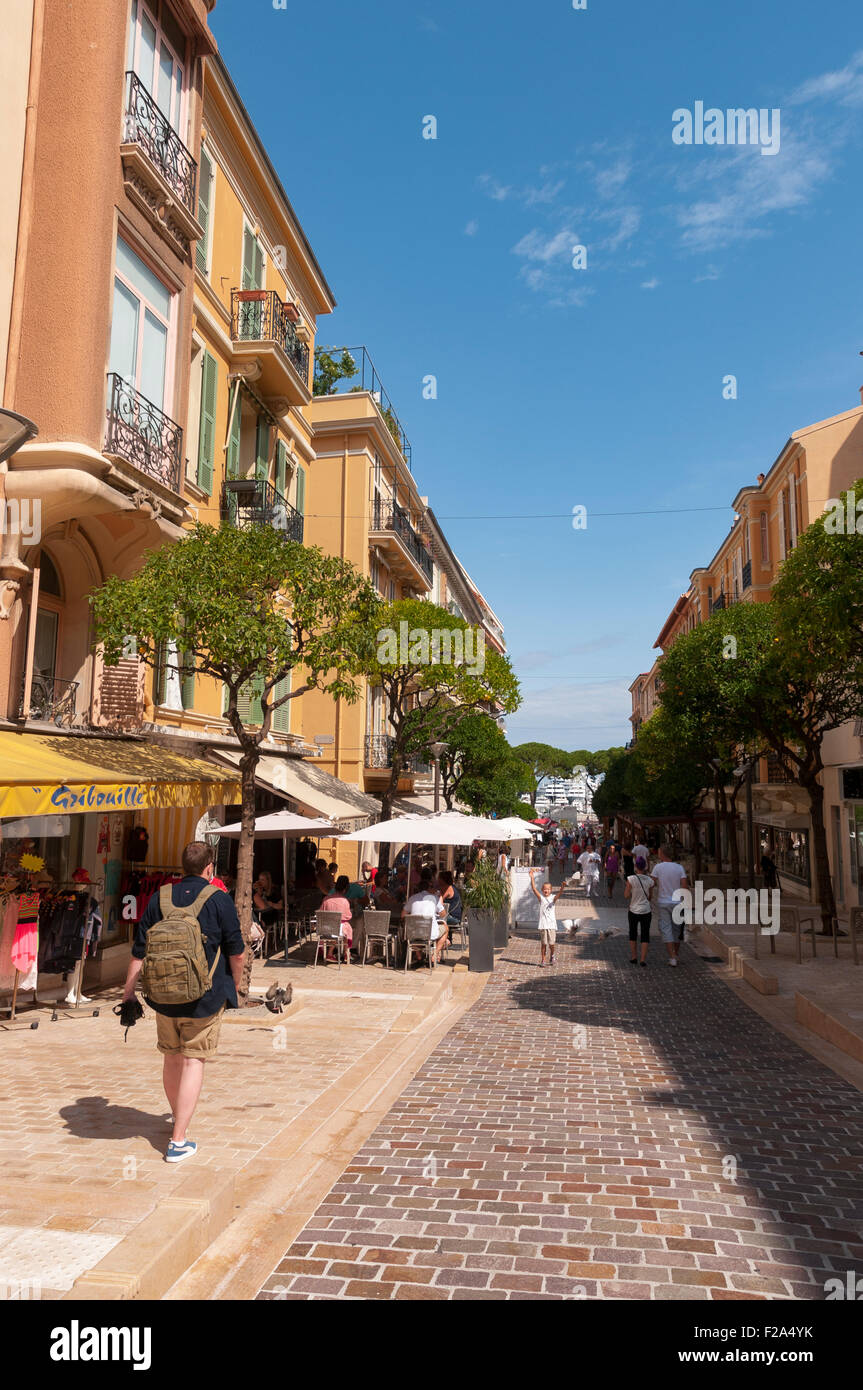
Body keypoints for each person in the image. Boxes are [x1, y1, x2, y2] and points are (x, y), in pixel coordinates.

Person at [120, 842, 245, 1164]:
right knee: (193, 1061)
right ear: (209, 868)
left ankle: (179, 1120)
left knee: (172, 1059)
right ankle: (178, 1140)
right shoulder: (220, 900)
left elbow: (139, 950)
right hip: (205, 996)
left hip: (163, 996)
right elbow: (237, 951)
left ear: (183, 866)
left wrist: (129, 992)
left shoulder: (160, 897)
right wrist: (237, 985)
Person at [651, 843, 690, 968]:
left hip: (663, 902)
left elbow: (651, 883)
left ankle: (672, 957)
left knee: (666, 929)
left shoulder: (658, 867)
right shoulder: (679, 868)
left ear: (662, 854)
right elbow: (684, 885)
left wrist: (649, 895)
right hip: (677, 902)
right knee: (677, 930)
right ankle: (675, 954)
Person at [404, 866, 448, 964]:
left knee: (413, 935)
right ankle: (434, 955)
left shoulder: (412, 898)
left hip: (413, 933)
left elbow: (403, 915)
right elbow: (443, 914)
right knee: (445, 928)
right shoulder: (434, 898)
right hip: (429, 933)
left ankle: (418, 954)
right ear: (429, 888)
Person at [529, 867, 566, 966]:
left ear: (551, 890)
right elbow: (533, 888)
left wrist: (562, 887)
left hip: (552, 925)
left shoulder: (553, 897)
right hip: (543, 925)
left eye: (548, 889)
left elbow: (559, 894)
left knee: (552, 943)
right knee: (544, 944)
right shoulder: (541, 898)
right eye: (545, 889)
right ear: (542, 890)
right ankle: (543, 960)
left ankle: (552, 956)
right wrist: (532, 877)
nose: (546, 890)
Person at [624, 855, 654, 967]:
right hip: (646, 910)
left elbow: (626, 895)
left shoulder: (631, 879)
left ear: (635, 866)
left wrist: (633, 893)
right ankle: (643, 959)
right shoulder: (650, 881)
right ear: (645, 866)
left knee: (633, 933)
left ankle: (634, 956)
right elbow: (650, 897)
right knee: (645, 934)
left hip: (633, 910)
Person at [320, 875, 354, 962]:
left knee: (341, 927)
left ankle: (330, 953)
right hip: (337, 929)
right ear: (346, 888)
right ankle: (346, 953)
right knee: (347, 928)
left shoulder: (326, 899)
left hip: (325, 928)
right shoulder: (345, 901)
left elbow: (321, 912)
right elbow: (348, 916)